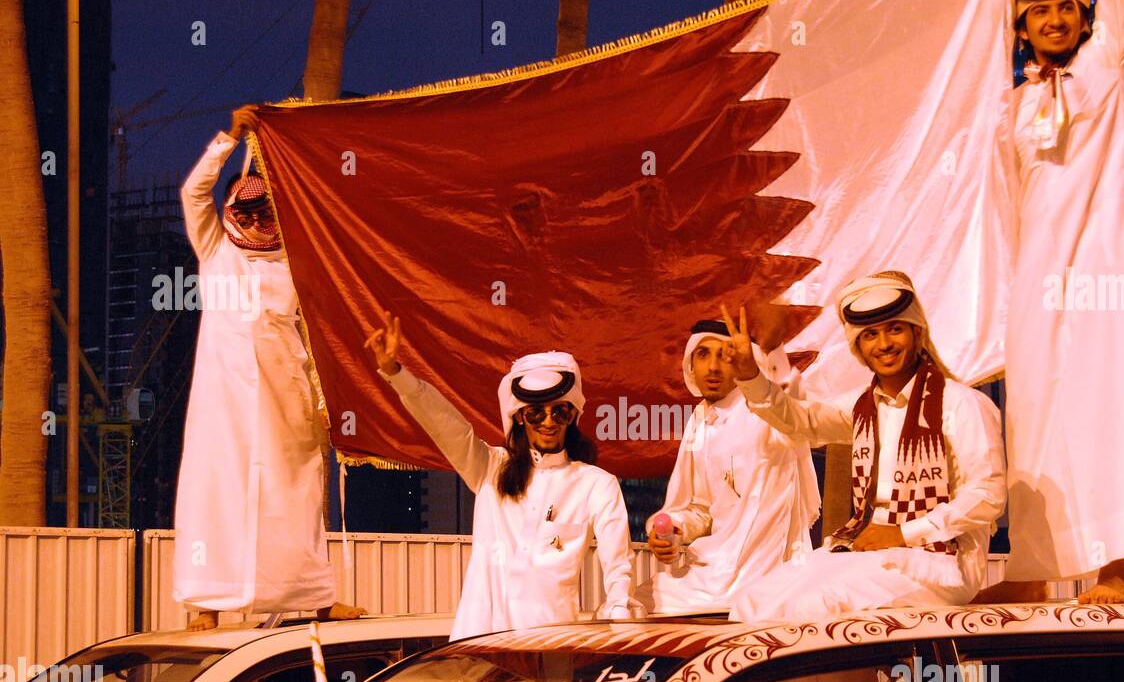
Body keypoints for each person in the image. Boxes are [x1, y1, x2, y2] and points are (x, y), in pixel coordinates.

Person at [978, 0, 1124, 605]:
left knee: (1107, 406)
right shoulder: (1010, 107)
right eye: (1038, 11)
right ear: (1021, 29)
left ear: (1086, 17)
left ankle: (1115, 571)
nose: (1053, 20)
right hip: (1037, 272)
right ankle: (1033, 567)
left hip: (1105, 267)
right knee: (1032, 415)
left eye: (1065, 7)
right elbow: (1003, 204)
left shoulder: (1110, 62)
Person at [723, 272, 1007, 622]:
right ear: (858, 347)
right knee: (750, 603)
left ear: (916, 332)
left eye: (894, 329)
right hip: (863, 549)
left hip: (938, 561)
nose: (883, 344)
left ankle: (838, 679)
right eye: (870, 335)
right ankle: (831, 681)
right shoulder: (863, 409)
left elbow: (988, 494)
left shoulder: (962, 404)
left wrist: (903, 533)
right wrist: (751, 376)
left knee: (812, 607)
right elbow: (801, 422)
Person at [173, 105, 362, 630]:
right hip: (222, 400)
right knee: (217, 491)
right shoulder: (214, 249)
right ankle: (205, 604)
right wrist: (229, 137)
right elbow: (193, 193)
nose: (257, 221)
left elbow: (321, 333)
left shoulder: (294, 260)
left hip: (285, 394)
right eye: (248, 211)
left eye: (266, 213)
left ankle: (318, 597)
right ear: (232, 209)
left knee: (294, 493)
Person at [366, 312, 637, 640]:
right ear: (521, 416)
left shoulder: (596, 484)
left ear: (573, 415)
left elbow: (618, 563)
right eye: (537, 412)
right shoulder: (490, 468)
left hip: (549, 651)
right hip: (479, 647)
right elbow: (445, 425)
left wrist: (621, 613)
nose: (548, 422)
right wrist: (397, 373)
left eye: (560, 410)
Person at [634, 316, 819, 615]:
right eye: (703, 355)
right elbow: (698, 508)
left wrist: (773, 352)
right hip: (716, 566)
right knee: (640, 601)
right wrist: (672, 530)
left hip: (767, 571)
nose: (713, 367)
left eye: (725, 356)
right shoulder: (699, 422)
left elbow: (793, 404)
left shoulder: (767, 409)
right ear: (689, 365)